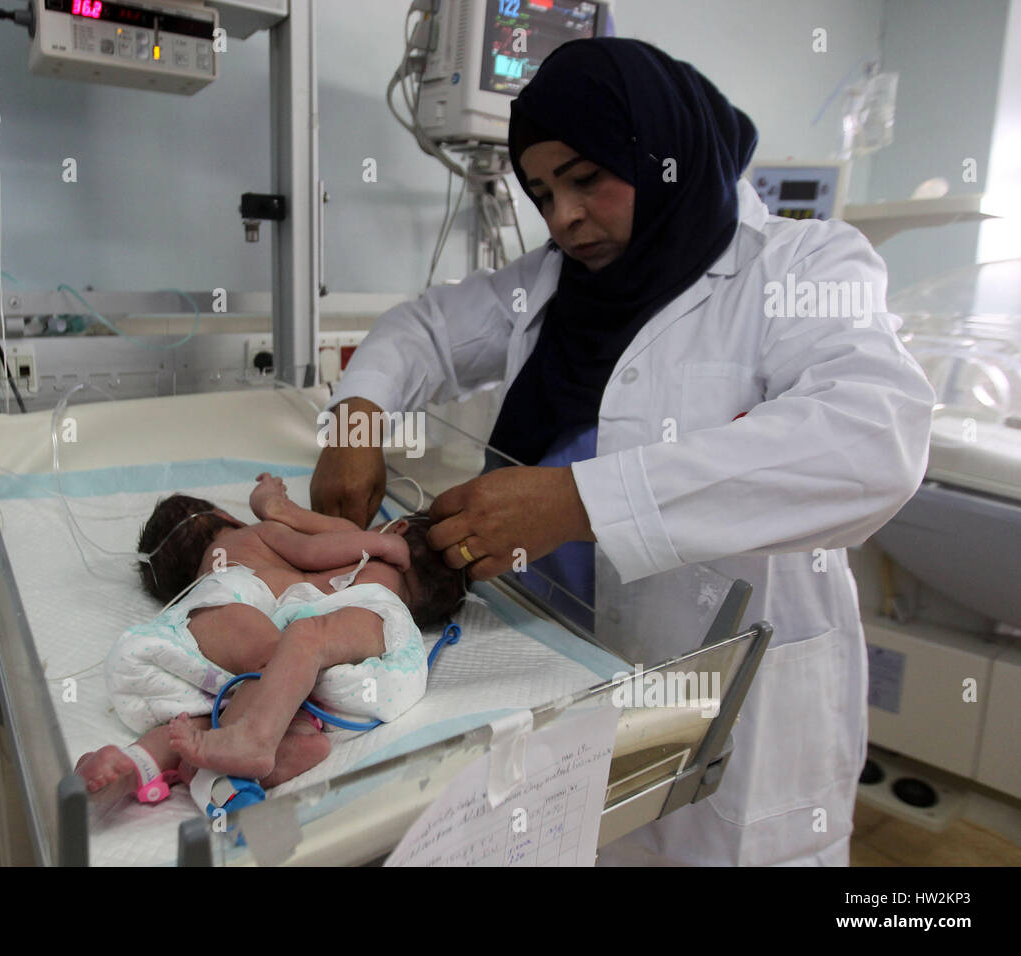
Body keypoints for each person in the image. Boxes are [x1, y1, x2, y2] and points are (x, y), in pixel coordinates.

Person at [310, 37, 935, 866]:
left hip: (734, 733)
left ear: (659, 151)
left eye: (585, 178)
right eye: (541, 193)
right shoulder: (557, 285)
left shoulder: (802, 267)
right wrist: (356, 423)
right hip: (564, 684)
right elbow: (422, 330)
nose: (563, 216)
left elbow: (873, 440)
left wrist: (576, 503)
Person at [77, 475, 466, 803]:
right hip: (296, 647)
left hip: (286, 644)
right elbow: (310, 547)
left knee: (218, 701)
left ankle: (149, 761)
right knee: (249, 682)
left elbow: (312, 548)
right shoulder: (266, 540)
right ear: (227, 517)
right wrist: (273, 505)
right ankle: (247, 746)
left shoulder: (273, 559)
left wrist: (278, 508)